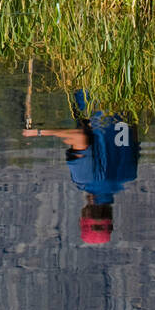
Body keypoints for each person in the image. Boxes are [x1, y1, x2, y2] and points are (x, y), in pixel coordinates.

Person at [23, 90, 139, 245]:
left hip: (122, 93)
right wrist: (39, 132)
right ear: (84, 218)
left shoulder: (130, 174)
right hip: (93, 95)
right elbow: (79, 137)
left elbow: (133, 127)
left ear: (110, 216)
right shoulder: (85, 180)